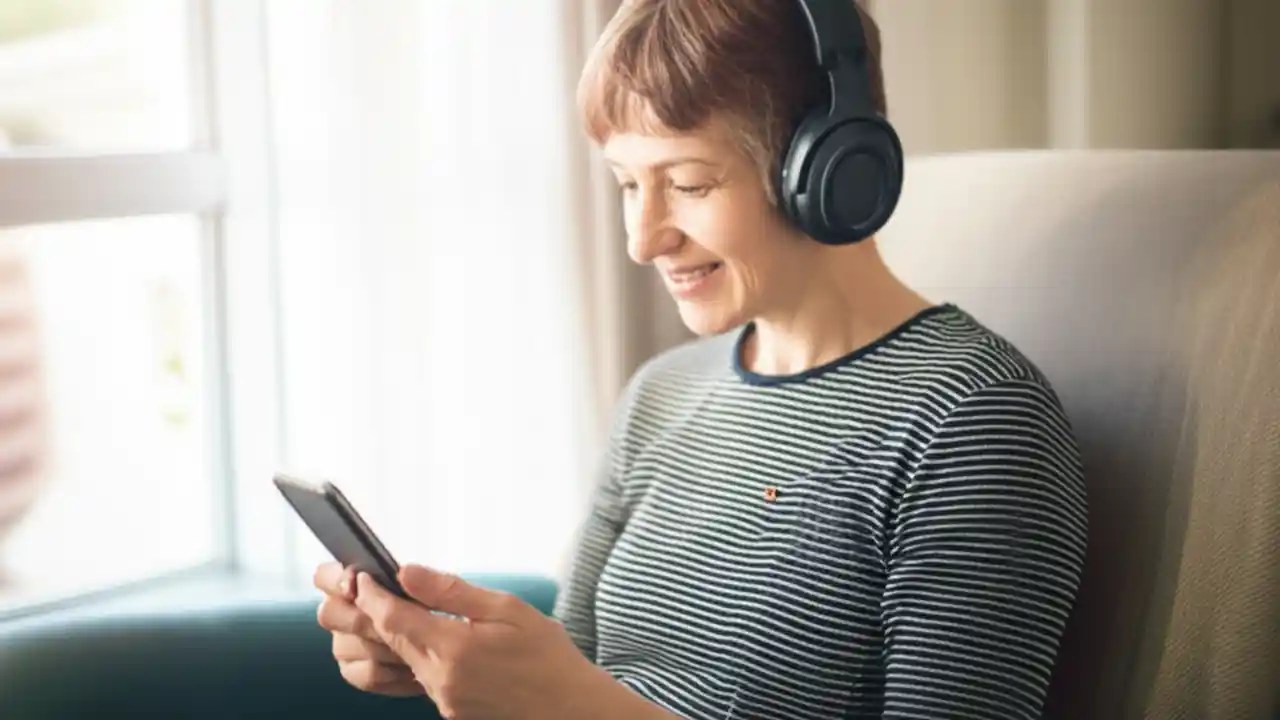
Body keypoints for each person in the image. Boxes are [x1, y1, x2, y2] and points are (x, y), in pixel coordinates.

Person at [312, 1, 1088, 718]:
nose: (643, 239)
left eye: (687, 183)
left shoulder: (974, 423)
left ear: (828, 170)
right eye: (626, 185)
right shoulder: (663, 393)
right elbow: (577, 675)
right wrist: (455, 665)